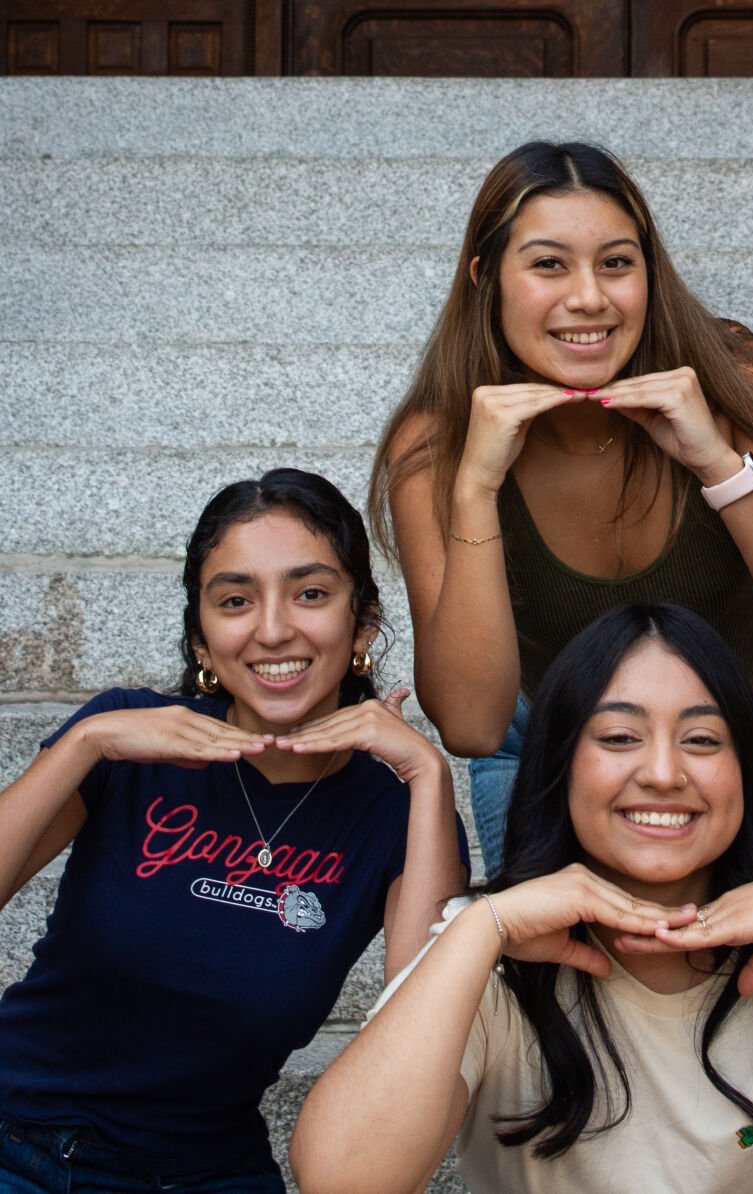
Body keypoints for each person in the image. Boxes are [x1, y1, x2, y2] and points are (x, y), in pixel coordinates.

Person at [290, 602, 753, 1194]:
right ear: (559, 766)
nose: (662, 773)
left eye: (703, 741)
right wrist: (482, 927)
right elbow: (345, 1178)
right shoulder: (485, 951)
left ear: (747, 774)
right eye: (618, 738)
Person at [369, 141, 753, 875]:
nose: (590, 297)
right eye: (548, 264)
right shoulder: (439, 440)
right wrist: (475, 491)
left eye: (617, 263)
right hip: (548, 747)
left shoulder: (731, 376)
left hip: (751, 731)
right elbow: (468, 723)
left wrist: (717, 465)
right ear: (484, 277)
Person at [0, 468, 468, 1194]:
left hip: (205, 1175)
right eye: (235, 600)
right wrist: (86, 741)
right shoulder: (127, 741)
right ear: (201, 634)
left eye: (310, 593)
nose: (273, 628)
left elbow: (423, 1050)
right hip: (15, 1144)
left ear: (363, 625)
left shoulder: (399, 810)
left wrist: (430, 777)